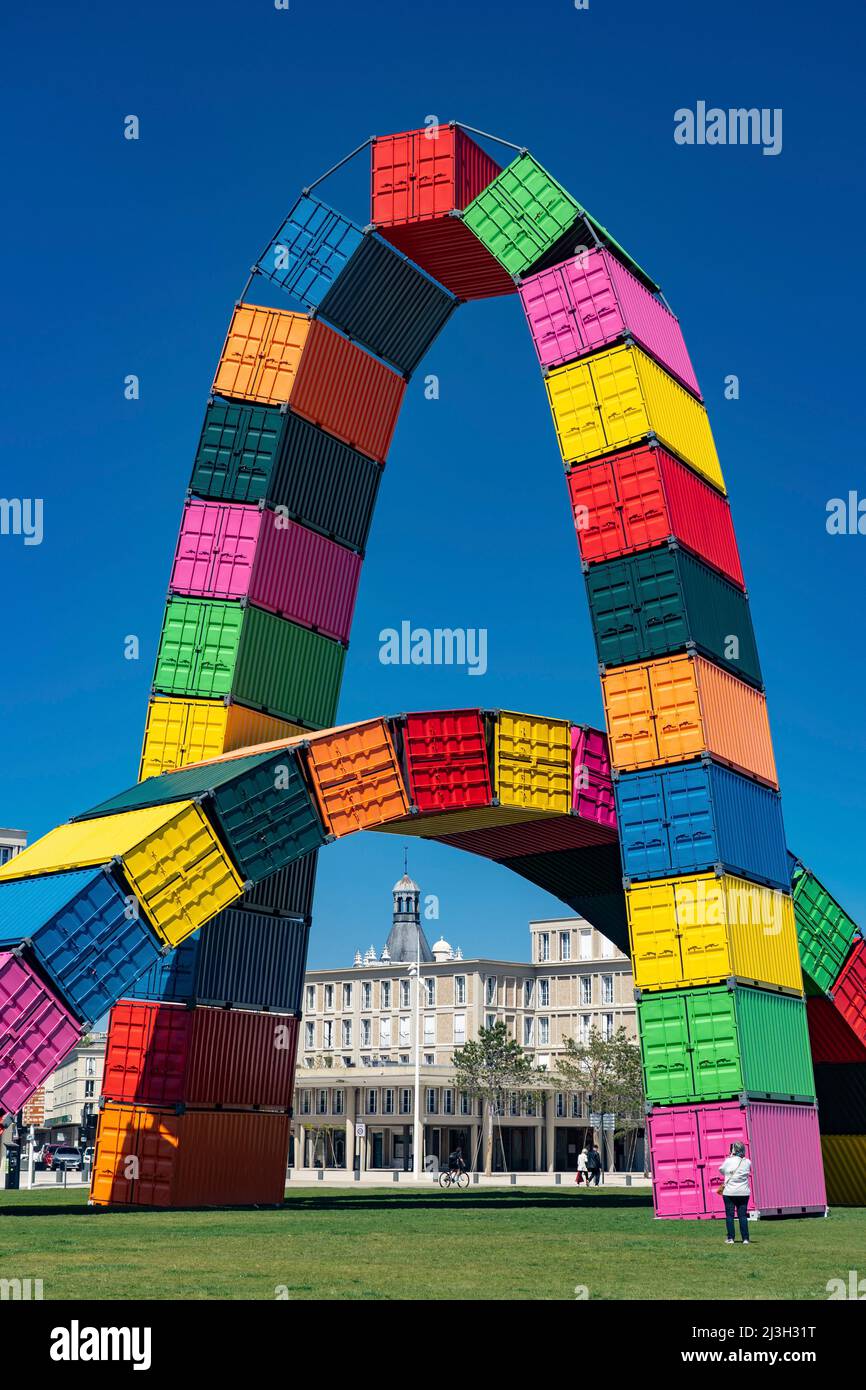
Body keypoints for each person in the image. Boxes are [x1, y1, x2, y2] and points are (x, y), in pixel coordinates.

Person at [718, 1141, 752, 1245]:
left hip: (730, 1192)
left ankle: (731, 1238)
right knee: (742, 1216)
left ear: (733, 1150)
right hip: (744, 1192)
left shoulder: (728, 1161)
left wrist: (730, 1157)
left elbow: (721, 1170)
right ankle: (745, 1239)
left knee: (730, 1215)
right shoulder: (747, 1162)